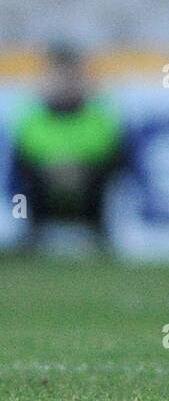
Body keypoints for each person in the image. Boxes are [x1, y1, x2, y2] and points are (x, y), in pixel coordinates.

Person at [11, 44, 126, 251]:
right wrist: (53, 168)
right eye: (58, 76)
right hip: (45, 177)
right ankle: (32, 234)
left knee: (106, 174)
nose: (65, 83)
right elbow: (26, 150)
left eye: (71, 76)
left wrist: (77, 167)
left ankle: (97, 234)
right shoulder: (34, 114)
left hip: (87, 176)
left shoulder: (97, 113)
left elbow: (108, 148)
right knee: (24, 176)